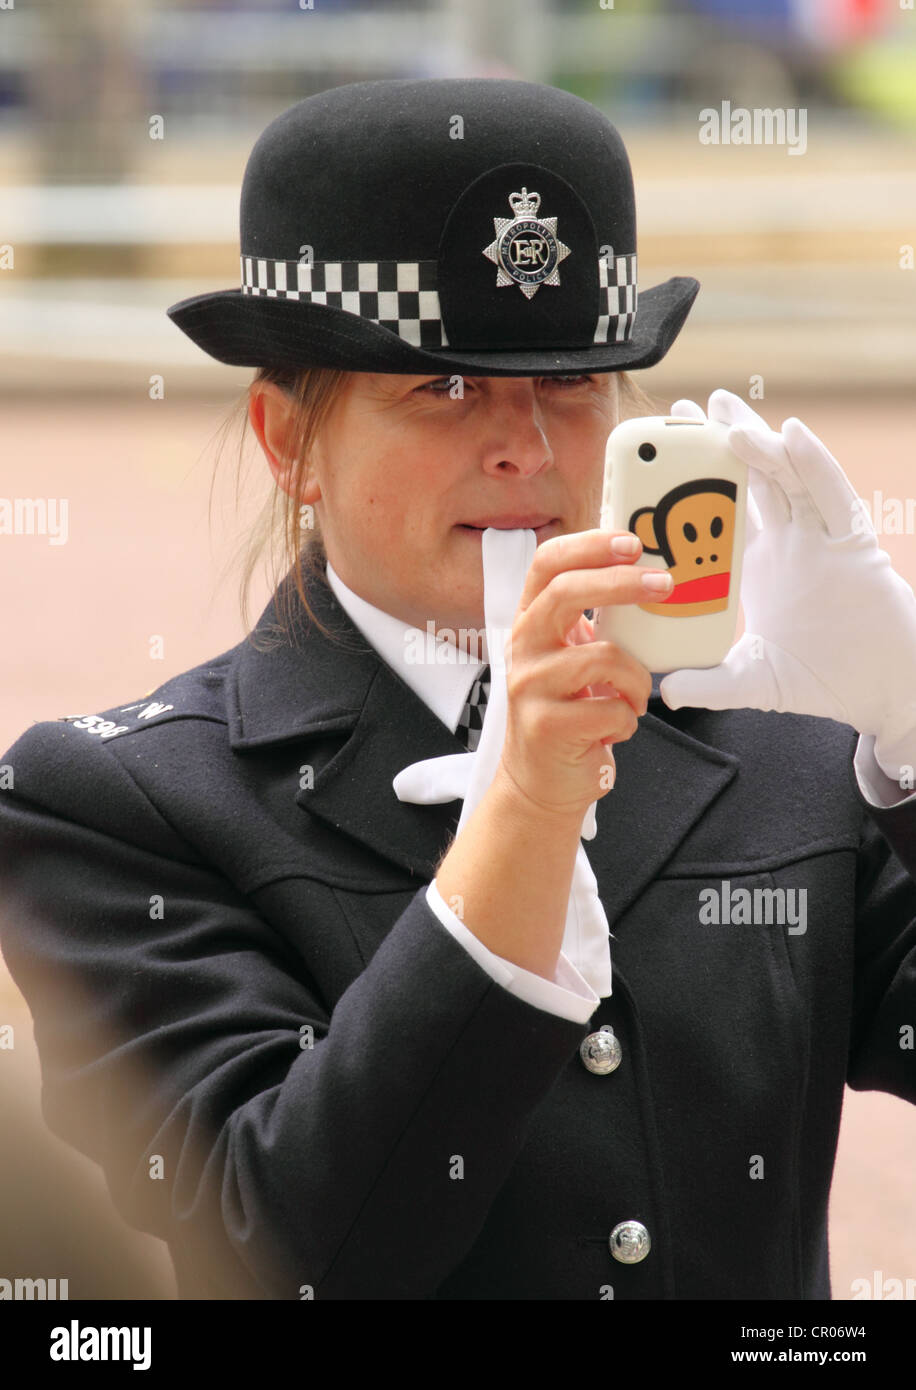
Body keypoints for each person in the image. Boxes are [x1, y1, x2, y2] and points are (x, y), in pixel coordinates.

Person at [0, 77, 914, 1302]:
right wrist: (518, 837)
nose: (527, 450)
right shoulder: (121, 801)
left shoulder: (779, 735)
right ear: (288, 441)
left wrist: (910, 736)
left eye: (571, 385)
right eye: (445, 388)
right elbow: (286, 1248)